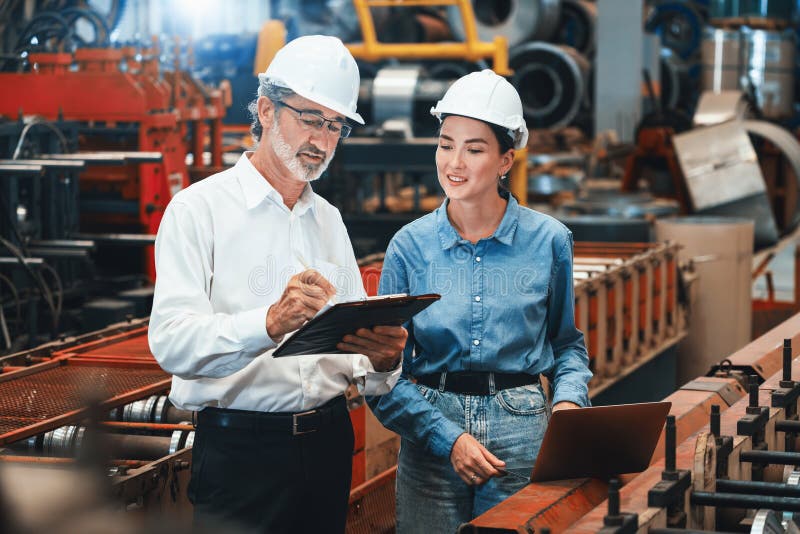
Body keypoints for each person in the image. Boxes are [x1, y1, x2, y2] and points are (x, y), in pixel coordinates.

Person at [148, 35, 407, 534]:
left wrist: (382, 360)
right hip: (241, 453)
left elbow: (350, 352)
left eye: (335, 126)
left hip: (328, 443)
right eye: (310, 119)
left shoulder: (328, 220)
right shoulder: (198, 211)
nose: (323, 141)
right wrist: (268, 324)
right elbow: (172, 343)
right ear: (266, 110)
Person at [367, 69, 593, 533]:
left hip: (522, 432)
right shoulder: (409, 247)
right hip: (432, 436)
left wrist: (568, 405)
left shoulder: (549, 241)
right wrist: (446, 438)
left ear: (506, 159)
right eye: (446, 144)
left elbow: (567, 346)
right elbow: (383, 377)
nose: (455, 162)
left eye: (474, 149)